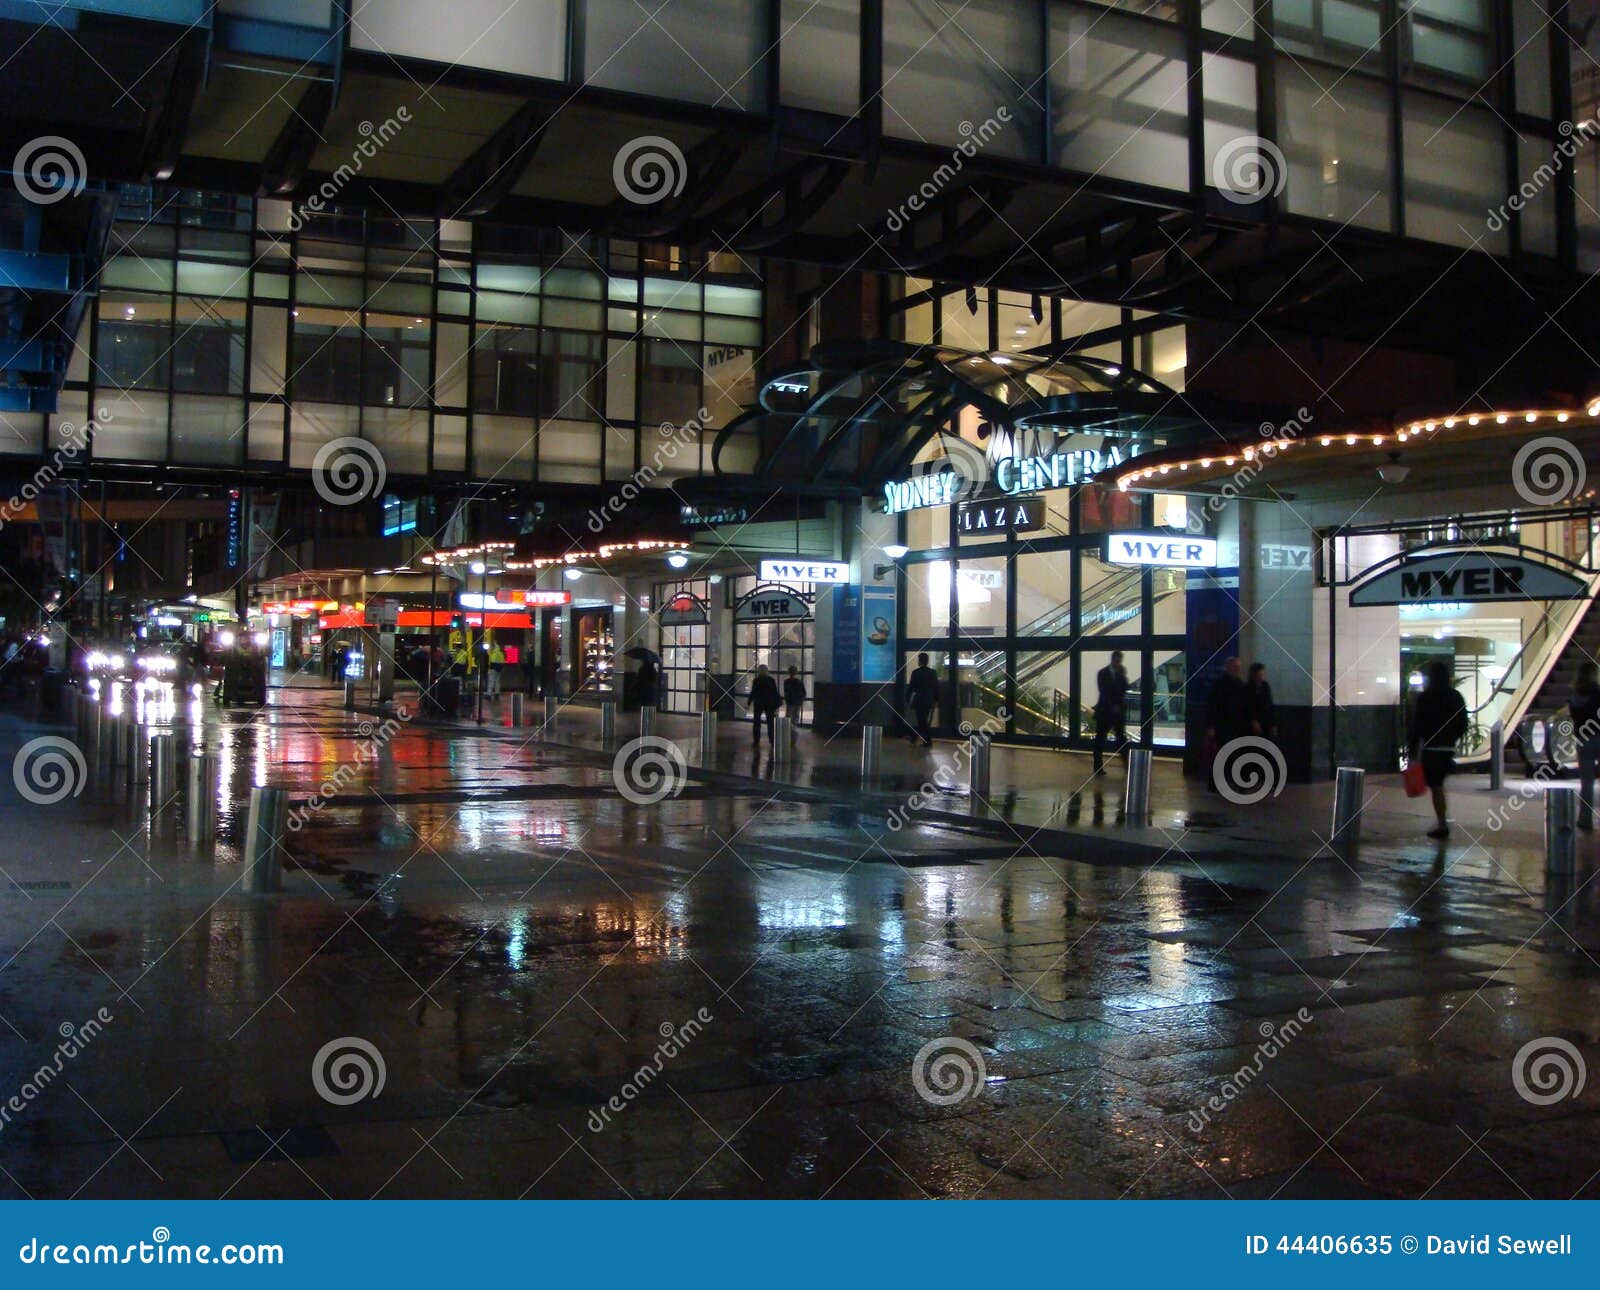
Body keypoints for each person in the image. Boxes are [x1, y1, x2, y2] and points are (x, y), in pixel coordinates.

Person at [1411, 660, 1469, 839]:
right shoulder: (1455, 696)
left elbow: (1417, 725)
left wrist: (1413, 748)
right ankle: (1442, 822)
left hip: (1431, 747)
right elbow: (1463, 723)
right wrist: (1452, 737)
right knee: (1438, 784)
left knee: (1436, 786)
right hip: (1447, 747)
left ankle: (1442, 824)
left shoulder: (1425, 698)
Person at [1204, 656, 1252, 793]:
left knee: (1228, 755)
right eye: (1235, 667)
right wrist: (1211, 726)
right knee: (1225, 755)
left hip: (1235, 725)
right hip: (1223, 725)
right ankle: (1219, 783)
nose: (1237, 670)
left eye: (1238, 667)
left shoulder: (1238, 684)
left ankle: (1220, 783)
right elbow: (1212, 706)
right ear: (1228, 668)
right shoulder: (1221, 685)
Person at [1571, 662, 1600, 831]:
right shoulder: (1597, 692)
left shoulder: (1575, 694)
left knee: (1586, 783)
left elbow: (1575, 716)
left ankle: (1585, 819)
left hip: (1583, 740)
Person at [1092, 651, 1129, 775]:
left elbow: (1125, 689)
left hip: (1117, 713)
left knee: (1121, 738)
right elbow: (1103, 691)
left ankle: (1127, 765)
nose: (1118, 663)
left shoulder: (1120, 674)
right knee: (1100, 740)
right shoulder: (1102, 673)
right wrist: (1112, 706)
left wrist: (1123, 674)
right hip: (1105, 712)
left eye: (1119, 661)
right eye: (1117, 661)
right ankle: (1098, 767)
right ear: (1113, 660)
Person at [907, 652, 940, 747]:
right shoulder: (933, 672)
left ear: (920, 661)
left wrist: (907, 698)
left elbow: (911, 687)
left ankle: (923, 739)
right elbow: (936, 687)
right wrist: (936, 699)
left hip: (919, 700)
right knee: (923, 720)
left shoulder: (916, 673)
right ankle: (916, 738)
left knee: (922, 721)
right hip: (929, 700)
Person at [748, 663, 781, 747]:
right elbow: (774, 692)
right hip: (769, 704)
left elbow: (753, 692)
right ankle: (772, 740)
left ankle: (756, 740)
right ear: (767, 671)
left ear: (759, 671)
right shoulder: (771, 680)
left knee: (756, 722)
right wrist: (776, 704)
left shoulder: (756, 680)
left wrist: (749, 702)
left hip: (758, 703)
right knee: (770, 723)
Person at [1247, 662, 1276, 741]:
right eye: (1260, 674)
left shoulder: (1265, 686)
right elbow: (1248, 706)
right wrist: (1253, 720)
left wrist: (1273, 723)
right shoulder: (1248, 687)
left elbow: (1270, 704)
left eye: (1263, 673)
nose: (1262, 675)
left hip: (1266, 720)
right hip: (1254, 722)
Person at [783, 666, 806, 738]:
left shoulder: (786, 682)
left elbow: (786, 693)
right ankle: (793, 732)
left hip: (790, 702)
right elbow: (804, 692)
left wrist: (787, 700)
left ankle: (789, 732)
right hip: (797, 702)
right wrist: (801, 700)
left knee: (789, 717)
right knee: (795, 718)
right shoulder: (799, 682)